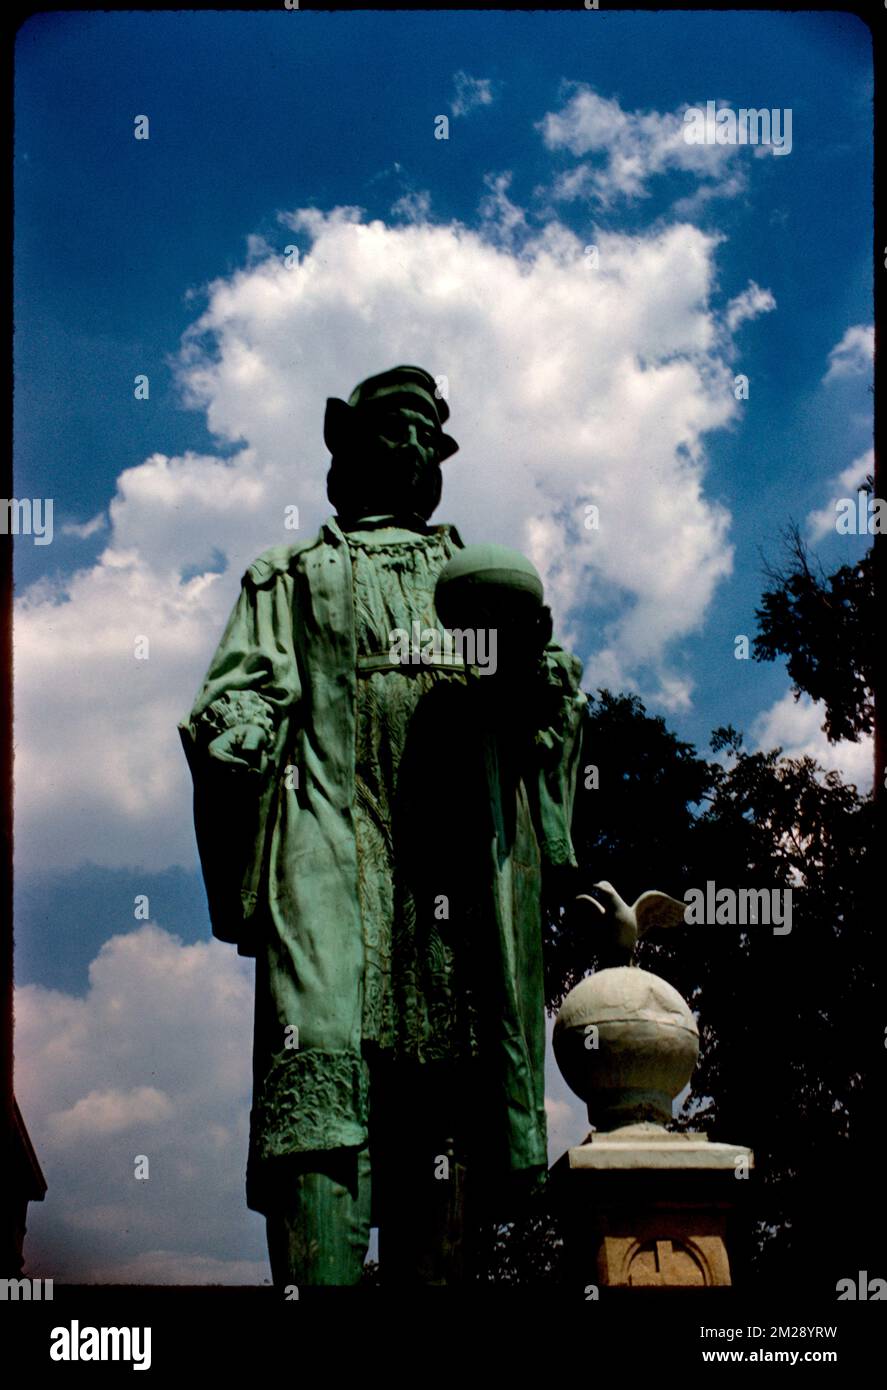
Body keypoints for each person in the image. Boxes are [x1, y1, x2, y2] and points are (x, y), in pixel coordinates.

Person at [179, 366, 586, 1286]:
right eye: (391, 429)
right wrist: (238, 730)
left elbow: (549, 716)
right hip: (329, 838)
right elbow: (238, 688)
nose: (409, 448)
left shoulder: (479, 581)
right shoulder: (289, 574)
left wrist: (529, 675)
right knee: (317, 1089)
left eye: (425, 435)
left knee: (442, 1103)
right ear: (345, 444)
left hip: (453, 868)